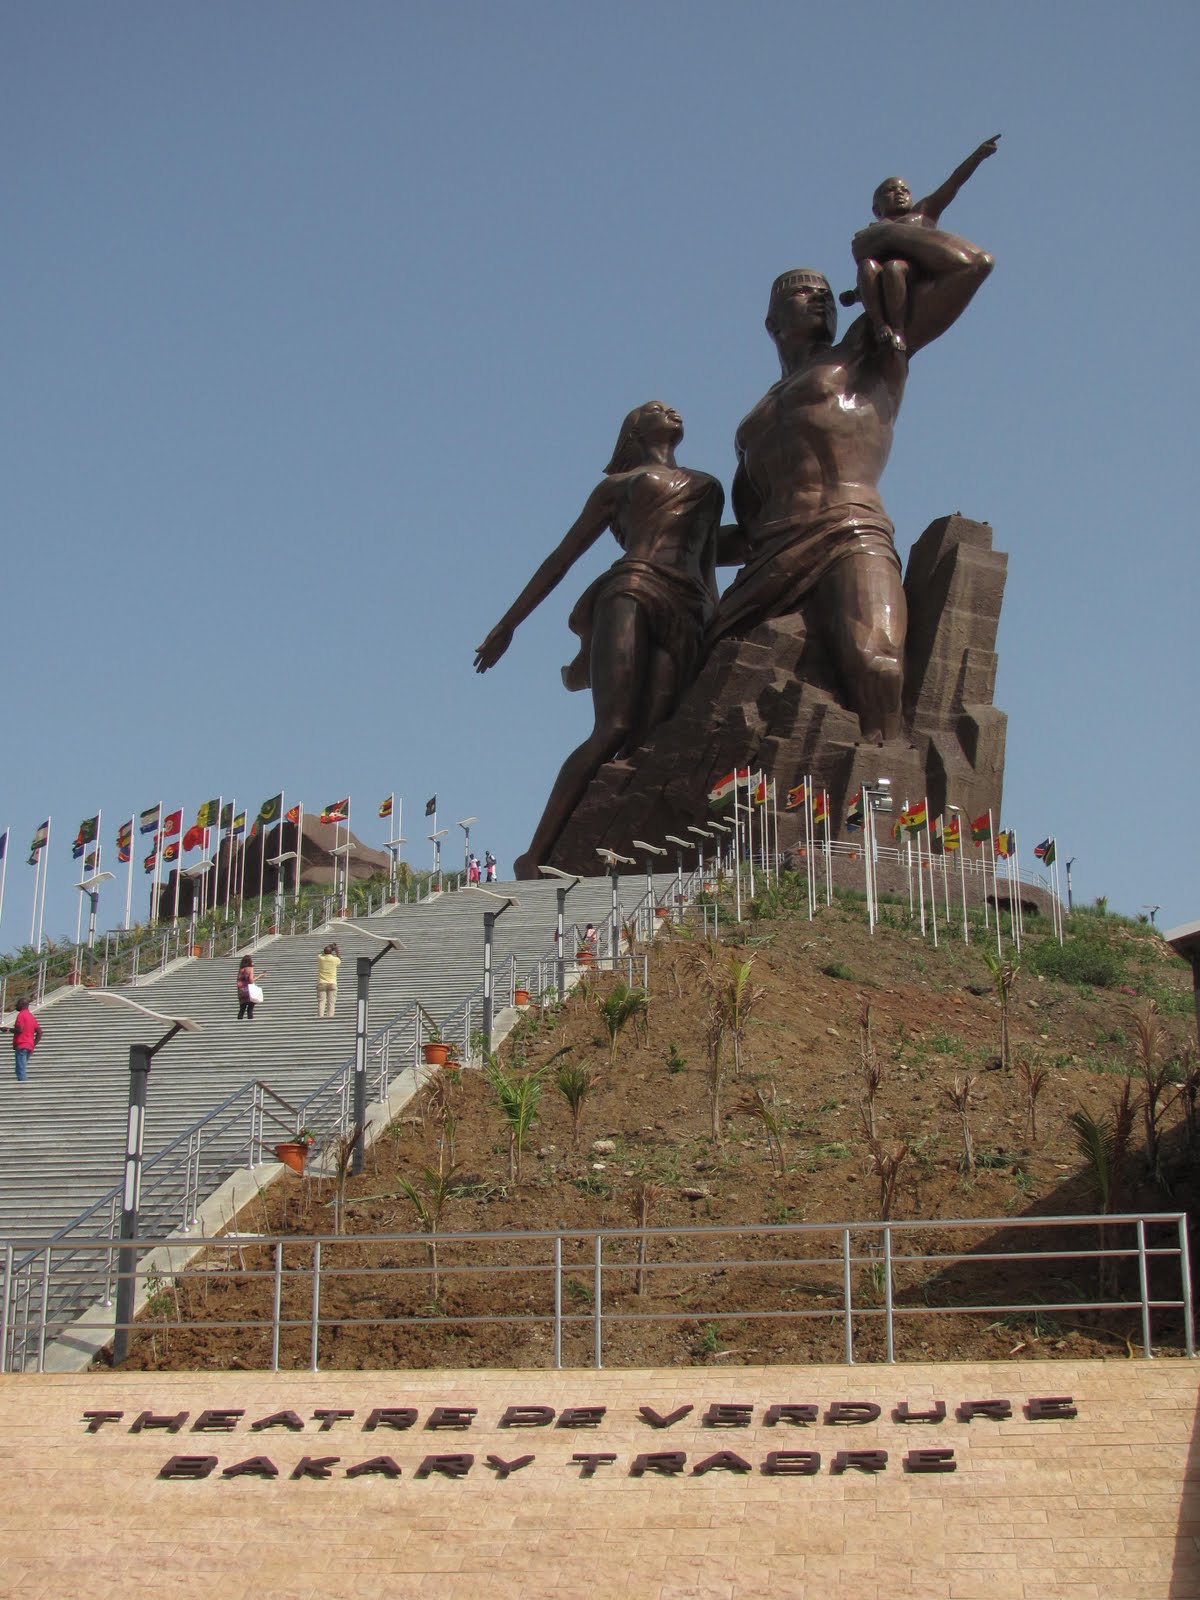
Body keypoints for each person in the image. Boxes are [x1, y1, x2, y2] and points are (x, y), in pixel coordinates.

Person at [709, 167, 995, 745]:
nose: (816, 298)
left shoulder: (870, 351)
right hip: (769, 558)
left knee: (875, 662)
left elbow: (971, 265)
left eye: (822, 294)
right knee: (697, 684)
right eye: (799, 294)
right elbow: (747, 527)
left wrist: (884, 239)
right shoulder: (754, 422)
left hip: (849, 530)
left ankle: (883, 790)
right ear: (771, 322)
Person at [475, 402, 724, 874]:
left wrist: (712, 627)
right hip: (631, 588)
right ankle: (535, 852)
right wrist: (508, 624)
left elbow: (708, 562)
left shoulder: (709, 487)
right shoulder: (620, 485)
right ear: (632, 434)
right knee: (613, 727)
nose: (669, 409)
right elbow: (561, 558)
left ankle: (617, 843)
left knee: (651, 735)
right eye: (653, 408)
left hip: (686, 608)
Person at [840, 135, 1001, 351]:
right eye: (891, 190)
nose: (899, 193)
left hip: (914, 272)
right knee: (868, 266)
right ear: (876, 209)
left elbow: (953, 183)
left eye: (904, 190)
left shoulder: (923, 212)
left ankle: (898, 329)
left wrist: (976, 157)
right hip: (880, 278)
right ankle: (880, 324)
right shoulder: (872, 231)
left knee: (894, 267)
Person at [4, 998, 42, 1082]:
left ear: (22, 1005)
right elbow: (39, 1032)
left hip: (21, 1045)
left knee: (20, 1069)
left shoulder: (21, 1015)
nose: (16, 1006)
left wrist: (8, 1029)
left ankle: (24, 1088)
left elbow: (19, 1029)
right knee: (22, 1067)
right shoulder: (30, 1016)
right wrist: (32, 1043)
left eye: (17, 1004)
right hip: (29, 1046)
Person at [316, 942, 341, 1018]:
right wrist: (336, 950)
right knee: (331, 1002)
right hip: (332, 982)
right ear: (331, 952)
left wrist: (329, 947)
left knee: (321, 1001)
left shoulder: (321, 958)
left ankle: (320, 1016)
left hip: (322, 982)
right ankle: (330, 1016)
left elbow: (321, 953)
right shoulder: (334, 960)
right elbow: (339, 959)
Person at [236, 953, 263, 1021]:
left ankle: (239, 1024)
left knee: (242, 1009)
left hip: (241, 990)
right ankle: (250, 1023)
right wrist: (260, 976)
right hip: (248, 990)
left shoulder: (241, 970)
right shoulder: (250, 968)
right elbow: (251, 981)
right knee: (250, 1008)